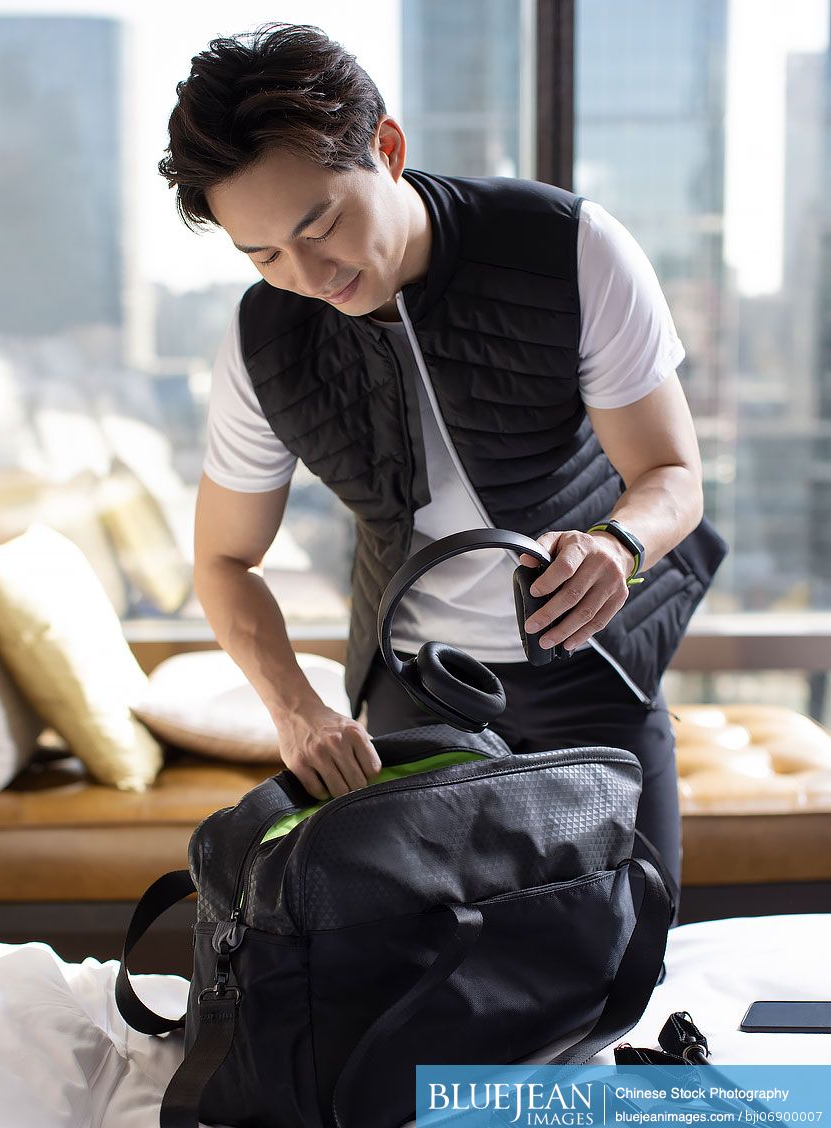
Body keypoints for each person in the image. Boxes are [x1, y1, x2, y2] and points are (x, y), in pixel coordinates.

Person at [160, 20, 728, 920]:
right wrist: (298, 711)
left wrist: (617, 545)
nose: (309, 274)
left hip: (593, 669)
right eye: (263, 254)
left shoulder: (567, 247)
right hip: (411, 692)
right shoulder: (262, 336)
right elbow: (224, 561)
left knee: (628, 958)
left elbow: (670, 473)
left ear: (386, 148)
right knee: (439, 985)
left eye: (323, 224)